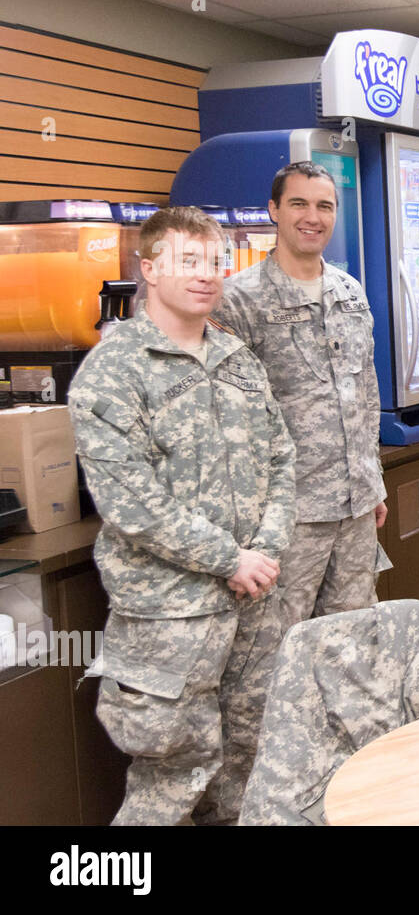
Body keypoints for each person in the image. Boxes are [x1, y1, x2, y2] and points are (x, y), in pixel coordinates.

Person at [69, 207, 296, 825]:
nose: (206, 275)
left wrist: (266, 549)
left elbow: (282, 456)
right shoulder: (114, 371)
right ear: (149, 268)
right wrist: (231, 559)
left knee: (249, 770)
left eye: (215, 262)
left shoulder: (238, 359)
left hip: (256, 605)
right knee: (171, 785)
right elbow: (132, 503)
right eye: (187, 261)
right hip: (174, 618)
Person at [213, 161, 388, 630]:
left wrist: (373, 482)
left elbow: (364, 394)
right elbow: (228, 420)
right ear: (273, 210)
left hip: (354, 510)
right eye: (299, 204)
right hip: (287, 518)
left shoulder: (349, 293)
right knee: (276, 647)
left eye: (324, 206)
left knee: (351, 642)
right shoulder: (238, 301)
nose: (313, 217)